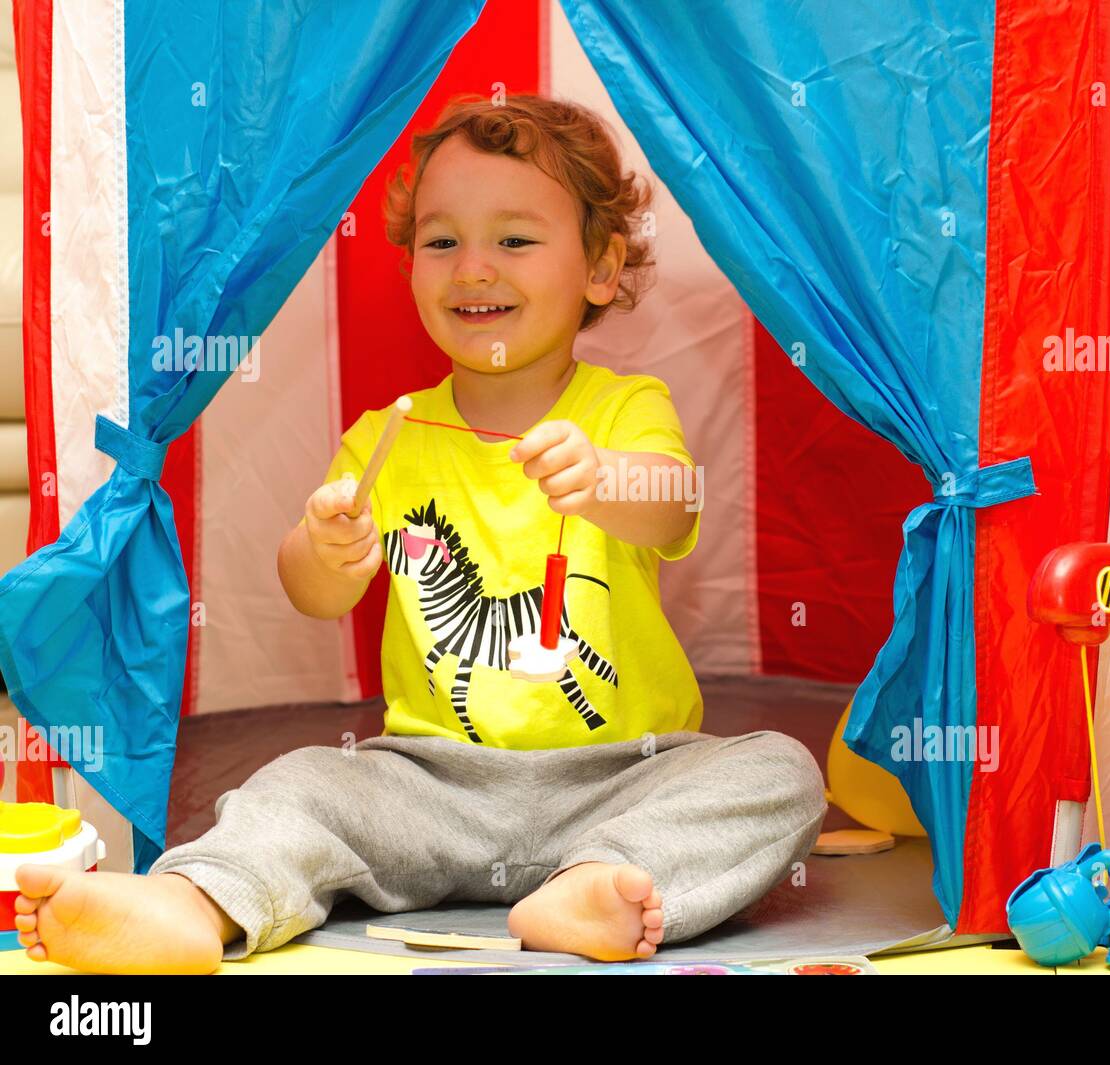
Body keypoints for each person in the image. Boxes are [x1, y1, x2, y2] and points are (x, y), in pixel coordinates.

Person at [12, 94, 827, 974]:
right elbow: (311, 590)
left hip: (622, 774)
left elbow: (676, 506)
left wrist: (607, 477)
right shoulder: (384, 434)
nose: (473, 267)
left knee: (779, 770)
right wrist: (319, 550)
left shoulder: (625, 408)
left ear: (600, 266)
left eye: (515, 240)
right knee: (300, 784)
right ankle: (195, 900)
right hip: (427, 784)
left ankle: (598, 882)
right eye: (442, 242)